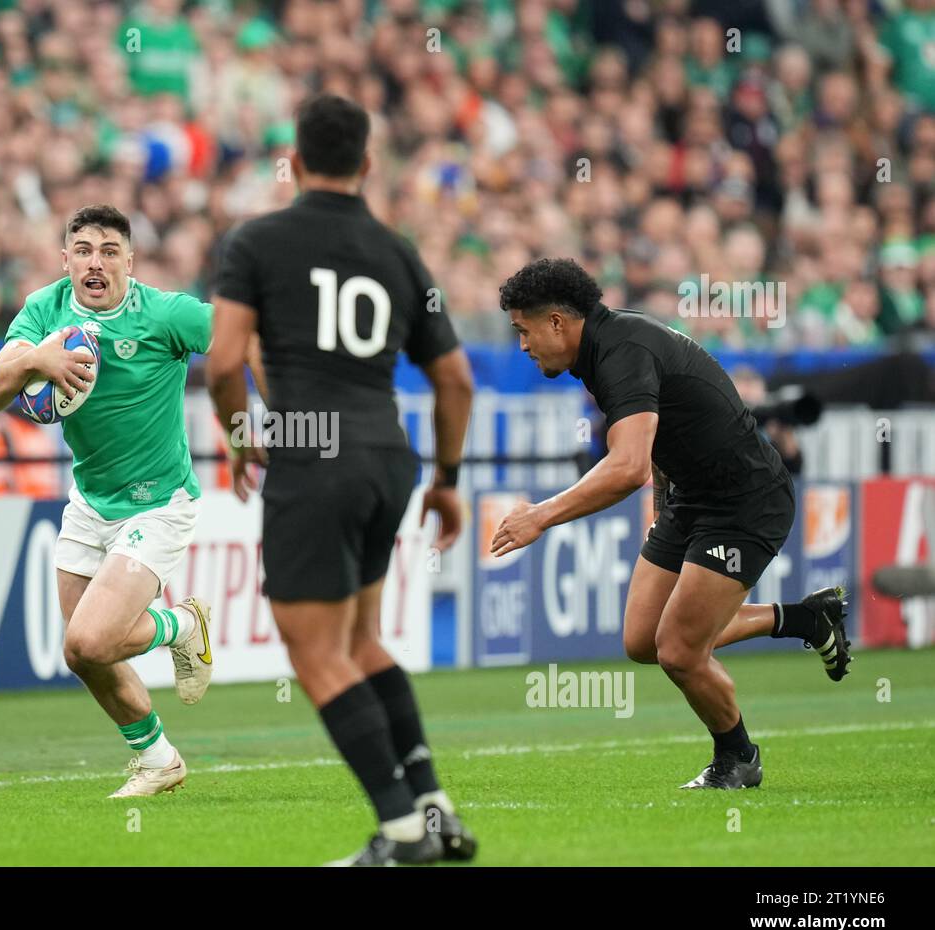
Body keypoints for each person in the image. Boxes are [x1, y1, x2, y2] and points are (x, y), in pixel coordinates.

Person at [208, 94, 478, 866]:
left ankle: (398, 830)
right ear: (367, 165)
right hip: (389, 456)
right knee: (361, 641)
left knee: (314, 649)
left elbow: (225, 362)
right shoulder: (399, 253)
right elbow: (455, 380)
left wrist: (237, 435)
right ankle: (433, 809)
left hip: (311, 454)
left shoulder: (256, 241)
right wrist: (448, 479)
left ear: (291, 163)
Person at [491, 257, 850, 791]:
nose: (522, 345)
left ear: (558, 323)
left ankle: (738, 759)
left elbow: (627, 466)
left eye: (524, 330)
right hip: (692, 499)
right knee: (642, 640)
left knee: (679, 650)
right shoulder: (605, 348)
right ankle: (803, 619)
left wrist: (540, 516)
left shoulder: (621, 350)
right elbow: (663, 436)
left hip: (745, 500)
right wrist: (664, 511)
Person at [0, 205, 214, 799]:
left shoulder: (166, 313)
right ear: (66, 260)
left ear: (129, 262)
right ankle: (159, 760)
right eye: (83, 249)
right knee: (86, 656)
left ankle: (183, 624)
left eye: (110, 251)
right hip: (90, 501)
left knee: (87, 640)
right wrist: (38, 357)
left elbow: (239, 337)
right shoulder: (44, 309)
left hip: (158, 501)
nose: (95, 262)